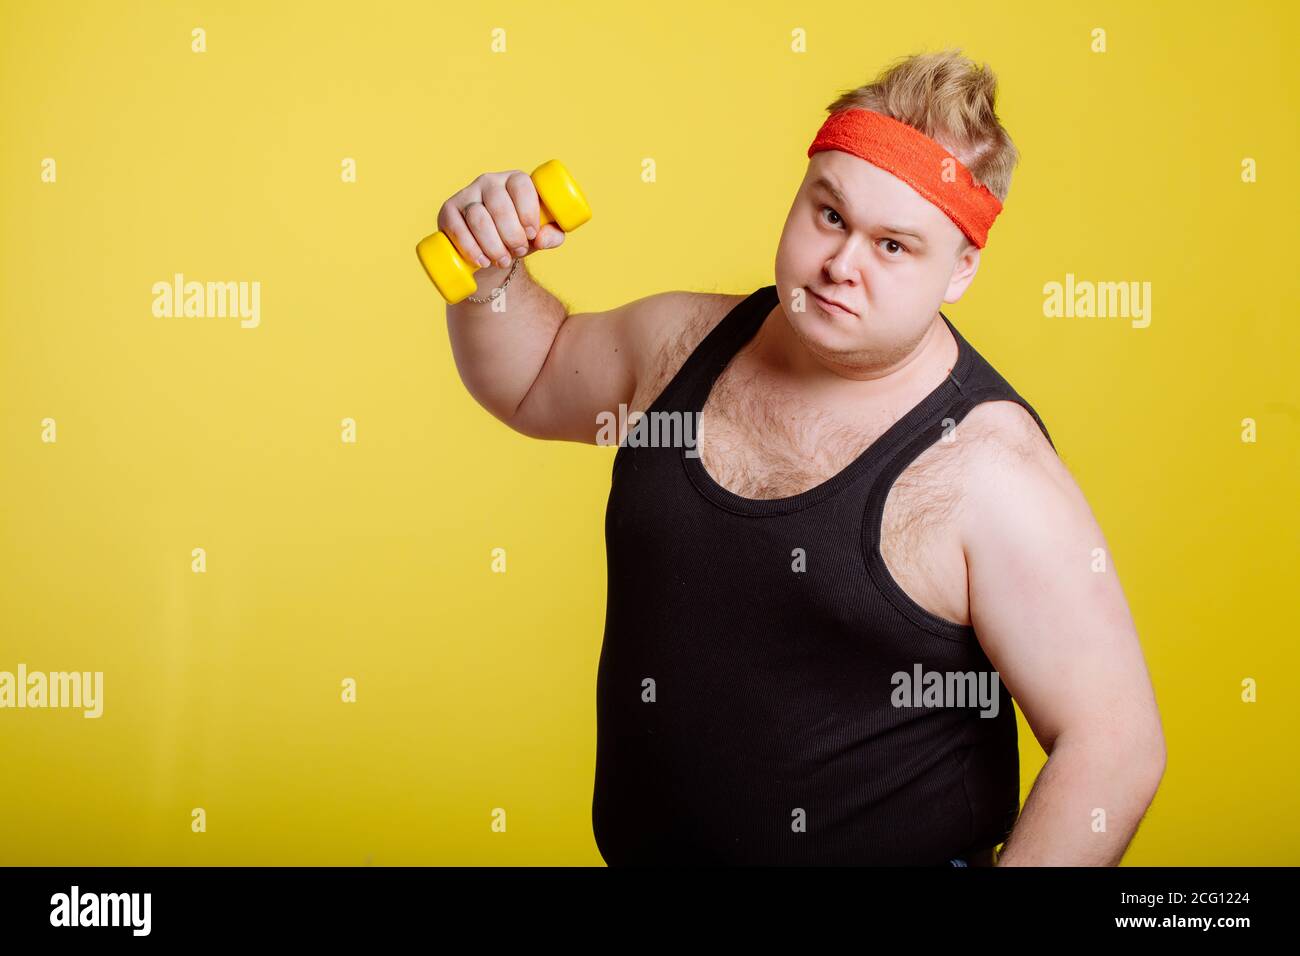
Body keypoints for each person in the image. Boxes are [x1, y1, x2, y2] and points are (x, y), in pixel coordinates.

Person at [439, 48, 1166, 866]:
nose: (840, 266)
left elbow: (1114, 747)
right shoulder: (681, 344)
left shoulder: (991, 472)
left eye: (894, 246)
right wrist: (489, 272)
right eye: (830, 215)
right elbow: (534, 377)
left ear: (961, 269)